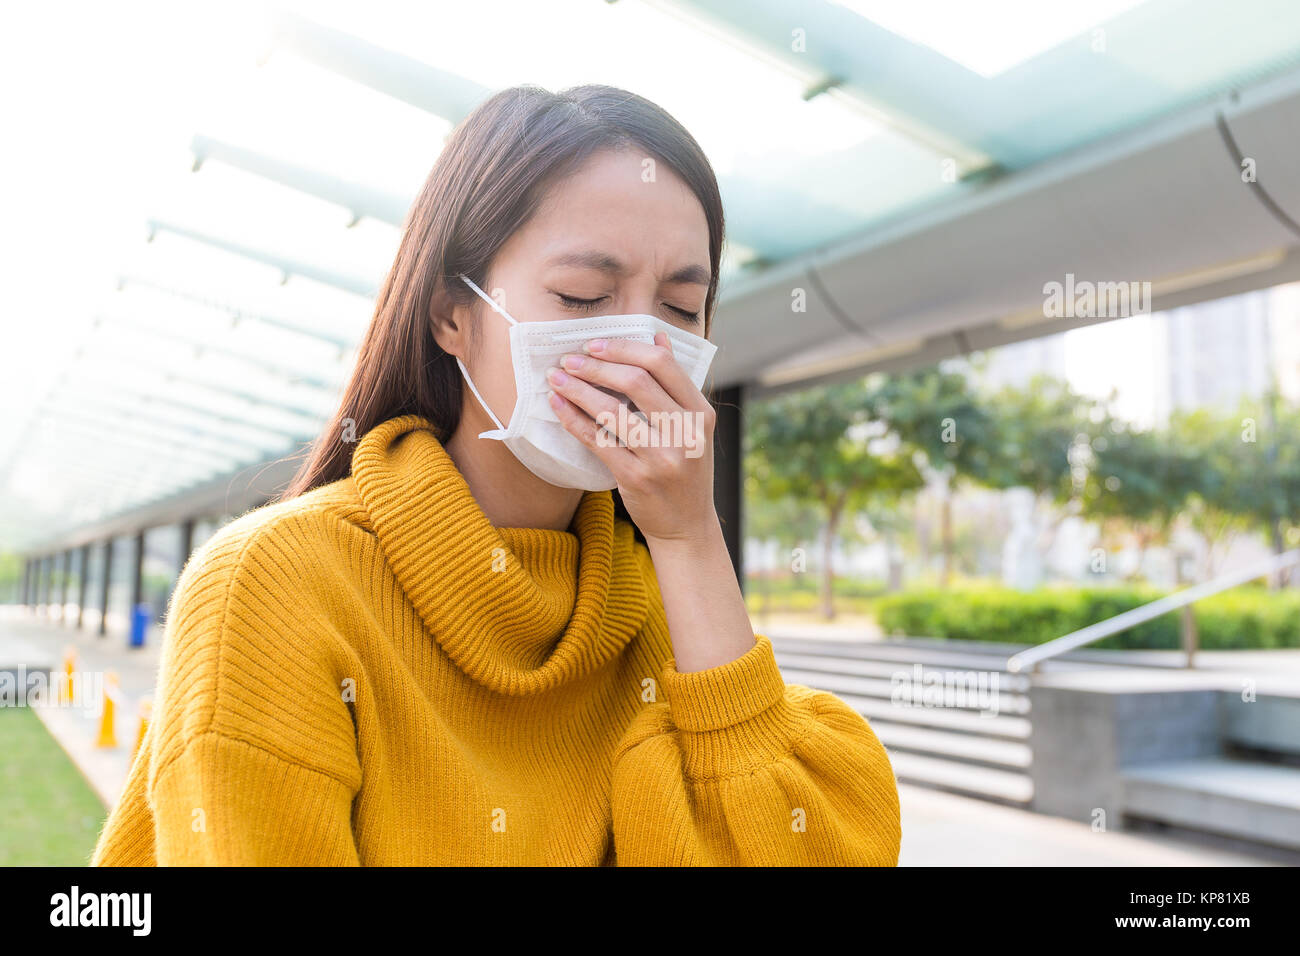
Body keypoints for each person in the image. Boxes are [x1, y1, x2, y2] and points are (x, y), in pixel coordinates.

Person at [91, 84, 901, 866]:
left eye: (682, 309)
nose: (643, 348)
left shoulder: (670, 611)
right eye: (584, 295)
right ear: (453, 314)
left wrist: (691, 541)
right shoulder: (274, 589)